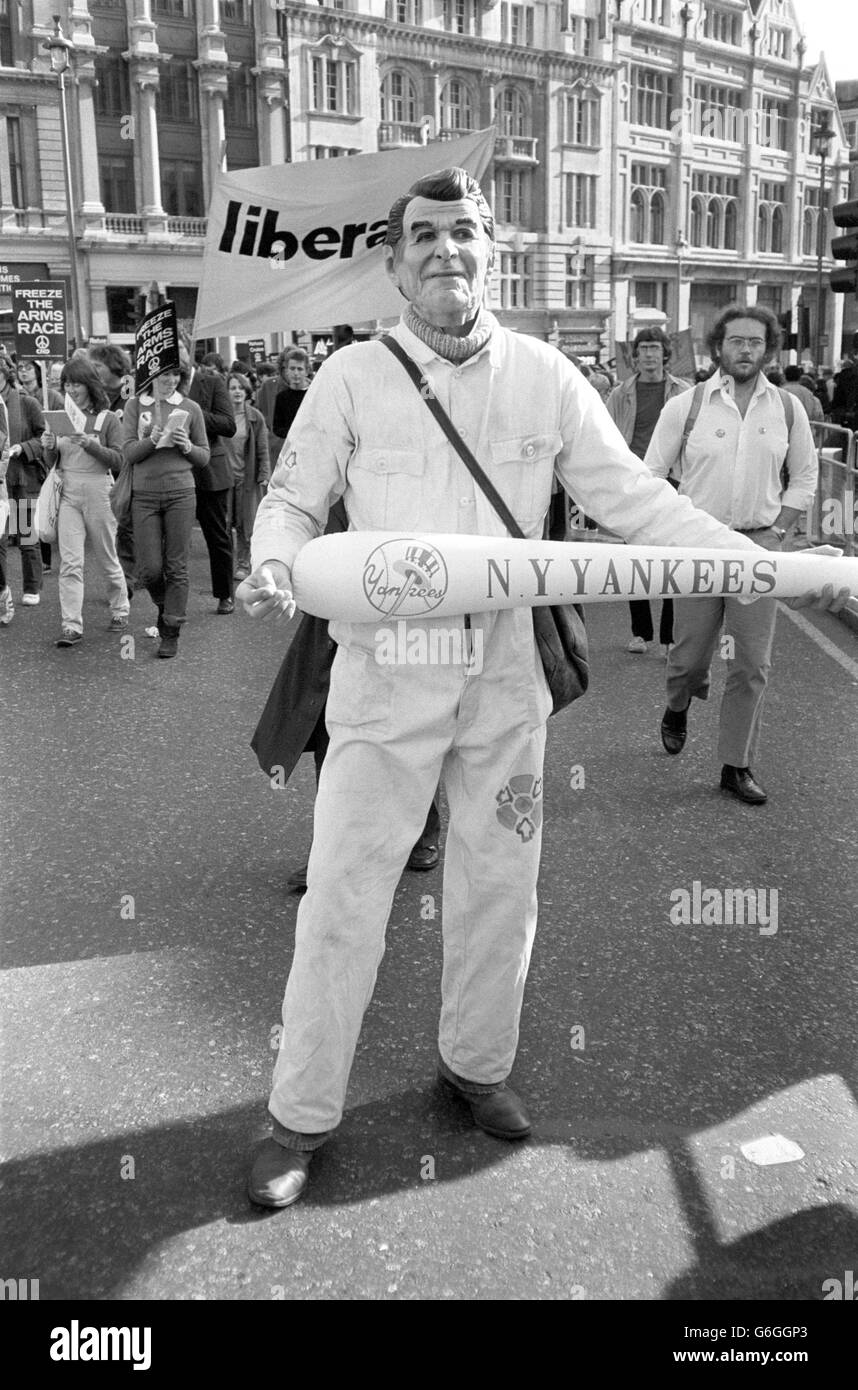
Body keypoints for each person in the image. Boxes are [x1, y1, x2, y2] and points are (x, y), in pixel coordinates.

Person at [237, 167, 847, 1210]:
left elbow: (636, 502)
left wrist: (776, 565)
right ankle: (300, 1112)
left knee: (498, 883)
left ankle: (475, 1063)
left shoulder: (548, 376)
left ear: (492, 252)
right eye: (422, 237)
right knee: (345, 891)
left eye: (463, 233)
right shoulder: (349, 378)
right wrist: (276, 558)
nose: (444, 252)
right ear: (392, 265)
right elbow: (293, 499)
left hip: (505, 675)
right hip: (385, 679)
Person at [645, 305, 821, 806]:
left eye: (756, 342)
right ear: (718, 347)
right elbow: (651, 473)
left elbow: (804, 474)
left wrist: (781, 528)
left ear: (769, 349)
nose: (746, 350)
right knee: (690, 656)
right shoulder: (689, 406)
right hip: (698, 549)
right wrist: (672, 529)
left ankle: (736, 765)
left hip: (758, 549)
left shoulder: (787, 408)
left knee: (750, 664)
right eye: (736, 341)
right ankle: (678, 703)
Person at [606, 328, 690, 656]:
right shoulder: (619, 394)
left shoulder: (684, 392)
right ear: (635, 355)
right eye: (643, 348)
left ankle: (669, 636)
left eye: (655, 348)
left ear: (664, 353)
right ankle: (641, 632)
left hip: (673, 480)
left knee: (673, 558)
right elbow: (609, 440)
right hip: (635, 481)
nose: (650, 354)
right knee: (635, 559)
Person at [121, 360, 210, 658]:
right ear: (152, 375)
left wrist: (186, 446)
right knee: (149, 568)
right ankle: (164, 605)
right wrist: (151, 440)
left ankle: (171, 629)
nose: (170, 380)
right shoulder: (135, 405)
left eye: (175, 374)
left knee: (177, 565)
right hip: (144, 494)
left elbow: (204, 456)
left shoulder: (190, 408)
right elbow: (130, 453)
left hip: (181, 492)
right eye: (164, 374)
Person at [41, 358, 129, 647]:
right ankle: (71, 625)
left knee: (106, 556)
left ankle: (120, 607)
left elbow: (118, 460)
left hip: (99, 489)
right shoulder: (59, 418)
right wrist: (50, 447)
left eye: (76, 382)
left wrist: (89, 443)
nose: (71, 388)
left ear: (90, 384)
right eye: (67, 383)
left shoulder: (108, 419)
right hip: (67, 490)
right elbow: (52, 463)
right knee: (70, 562)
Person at [185, 348, 237, 614]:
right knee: (171, 540)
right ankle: (170, 602)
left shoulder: (211, 382)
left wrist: (193, 412)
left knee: (217, 537)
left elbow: (229, 424)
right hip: (173, 472)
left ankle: (225, 593)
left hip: (209, 471)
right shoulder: (156, 385)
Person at [87, 343, 136, 598]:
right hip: (105, 466)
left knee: (127, 526)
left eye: (98, 366)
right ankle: (120, 578)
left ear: (114, 366)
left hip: (130, 467)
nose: (93, 371)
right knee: (113, 526)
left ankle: (126, 580)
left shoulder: (130, 388)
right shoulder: (96, 393)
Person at [0, 353, 47, 607]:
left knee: (26, 533)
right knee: (0, 539)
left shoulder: (27, 403)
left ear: (6, 375)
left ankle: (31, 586)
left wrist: (22, 448)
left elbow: (45, 440)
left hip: (21, 477)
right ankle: (2, 589)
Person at [225, 370, 270, 582]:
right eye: (233, 388)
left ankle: (244, 563)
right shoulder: (221, 417)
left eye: (241, 388)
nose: (237, 392)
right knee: (225, 524)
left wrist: (264, 474)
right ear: (226, 392)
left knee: (246, 524)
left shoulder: (255, 417)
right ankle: (226, 563)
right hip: (224, 479)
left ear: (247, 391)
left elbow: (263, 448)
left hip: (247, 478)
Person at [269, 348, 312, 463]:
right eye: (292, 368)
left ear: (306, 371)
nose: (296, 373)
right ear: (286, 370)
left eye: (300, 369)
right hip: (290, 453)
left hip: (313, 452)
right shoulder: (281, 397)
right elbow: (277, 428)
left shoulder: (315, 395)